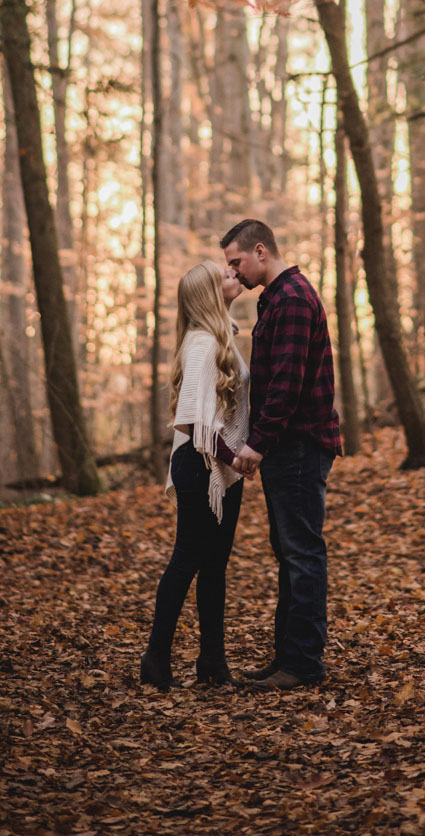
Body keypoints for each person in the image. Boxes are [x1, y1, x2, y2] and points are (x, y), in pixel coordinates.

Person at [220, 218, 342, 691]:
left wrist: (257, 444)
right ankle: (288, 658)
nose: (234, 272)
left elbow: (285, 387)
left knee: (302, 554)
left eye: (237, 262)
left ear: (260, 251)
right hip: (290, 448)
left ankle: (303, 665)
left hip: (297, 447)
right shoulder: (280, 298)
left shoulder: (291, 300)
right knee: (291, 553)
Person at [140, 260, 249, 692]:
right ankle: (156, 657)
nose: (233, 276)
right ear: (208, 293)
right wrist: (237, 457)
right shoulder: (202, 343)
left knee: (215, 566)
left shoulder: (221, 337)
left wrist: (237, 455)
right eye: (224, 275)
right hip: (199, 465)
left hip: (219, 463)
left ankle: (212, 660)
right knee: (186, 560)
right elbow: (191, 422)